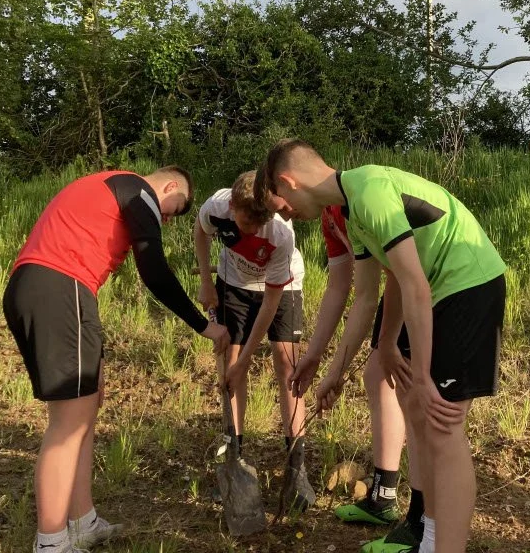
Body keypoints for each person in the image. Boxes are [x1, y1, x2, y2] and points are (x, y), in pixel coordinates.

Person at [257, 140, 507, 553]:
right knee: (417, 413)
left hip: (468, 285)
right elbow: (371, 293)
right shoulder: (353, 212)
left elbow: (414, 284)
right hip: (439, 291)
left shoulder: (369, 189)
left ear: (288, 181)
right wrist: (348, 361)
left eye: (283, 205)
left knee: (443, 426)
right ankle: (427, 540)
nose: (289, 215)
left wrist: (424, 375)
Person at [3, 166, 230, 553]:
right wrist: (203, 326)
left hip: (56, 290)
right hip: (58, 286)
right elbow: (154, 270)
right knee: (68, 424)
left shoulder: (112, 188)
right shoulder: (138, 190)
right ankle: (52, 542)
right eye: (174, 209)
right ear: (170, 186)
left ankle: (82, 520)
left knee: (87, 407)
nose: (168, 218)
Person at [277, 202, 423, 540]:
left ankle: (420, 519)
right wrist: (317, 359)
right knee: (377, 375)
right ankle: (383, 496)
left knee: (410, 388)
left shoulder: (352, 205)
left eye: (280, 199)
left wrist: (335, 370)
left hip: (421, 281)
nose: (285, 212)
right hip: (396, 285)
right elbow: (341, 288)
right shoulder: (329, 219)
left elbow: (373, 292)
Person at [193, 170, 316, 511]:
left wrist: (249, 356)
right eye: (246, 223)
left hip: (282, 288)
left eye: (258, 223)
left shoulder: (279, 233)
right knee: (230, 369)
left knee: (287, 367)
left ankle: (296, 468)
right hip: (233, 286)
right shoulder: (216, 206)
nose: (251, 231)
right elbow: (200, 235)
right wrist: (206, 282)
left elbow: (271, 303)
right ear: (233, 206)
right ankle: (233, 460)